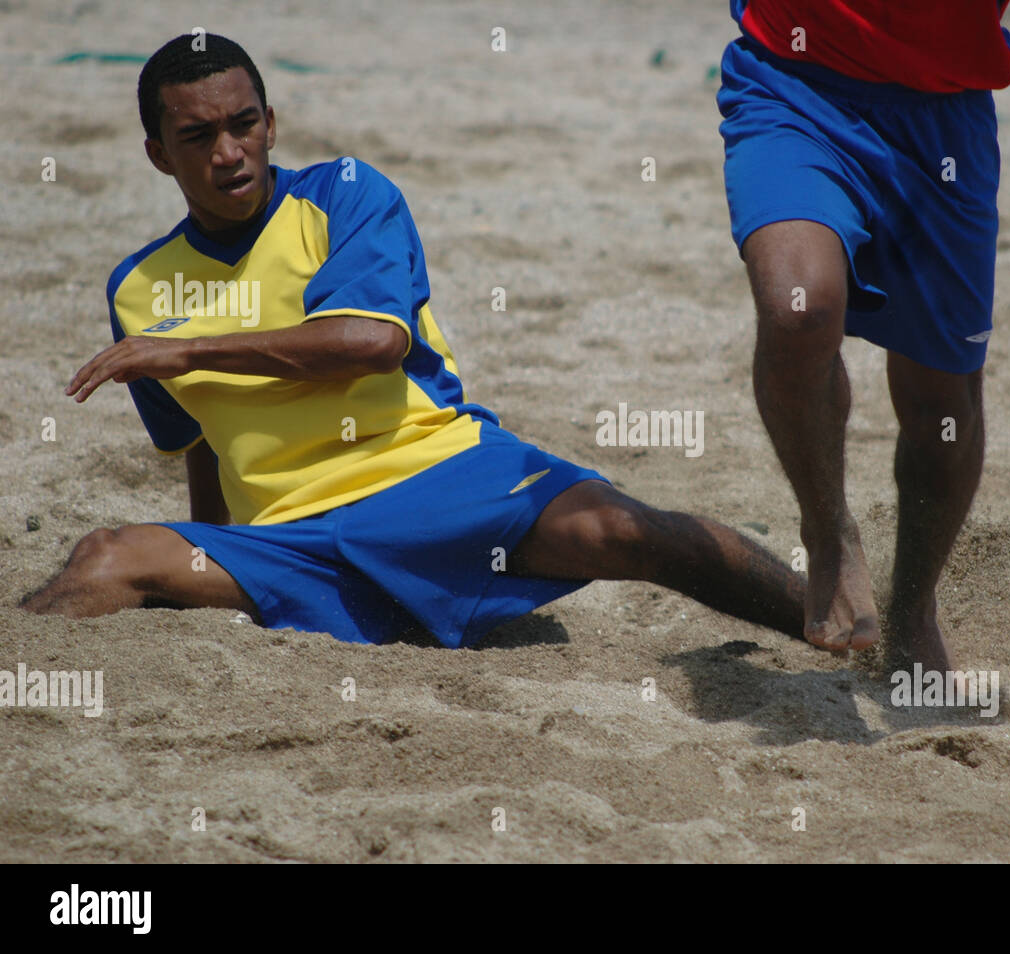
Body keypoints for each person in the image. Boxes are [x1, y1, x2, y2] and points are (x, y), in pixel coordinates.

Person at [21, 33, 806, 649]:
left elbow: (368, 343)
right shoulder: (137, 287)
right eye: (198, 136)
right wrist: (215, 553)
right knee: (106, 557)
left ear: (270, 123)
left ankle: (833, 618)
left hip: (441, 482)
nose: (229, 152)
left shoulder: (345, 194)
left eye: (244, 124)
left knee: (629, 532)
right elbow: (203, 445)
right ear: (159, 154)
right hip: (292, 539)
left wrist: (189, 349)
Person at [716, 0, 1010, 668]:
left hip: (943, 119)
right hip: (793, 86)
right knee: (800, 311)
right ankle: (828, 532)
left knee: (939, 406)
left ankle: (913, 605)